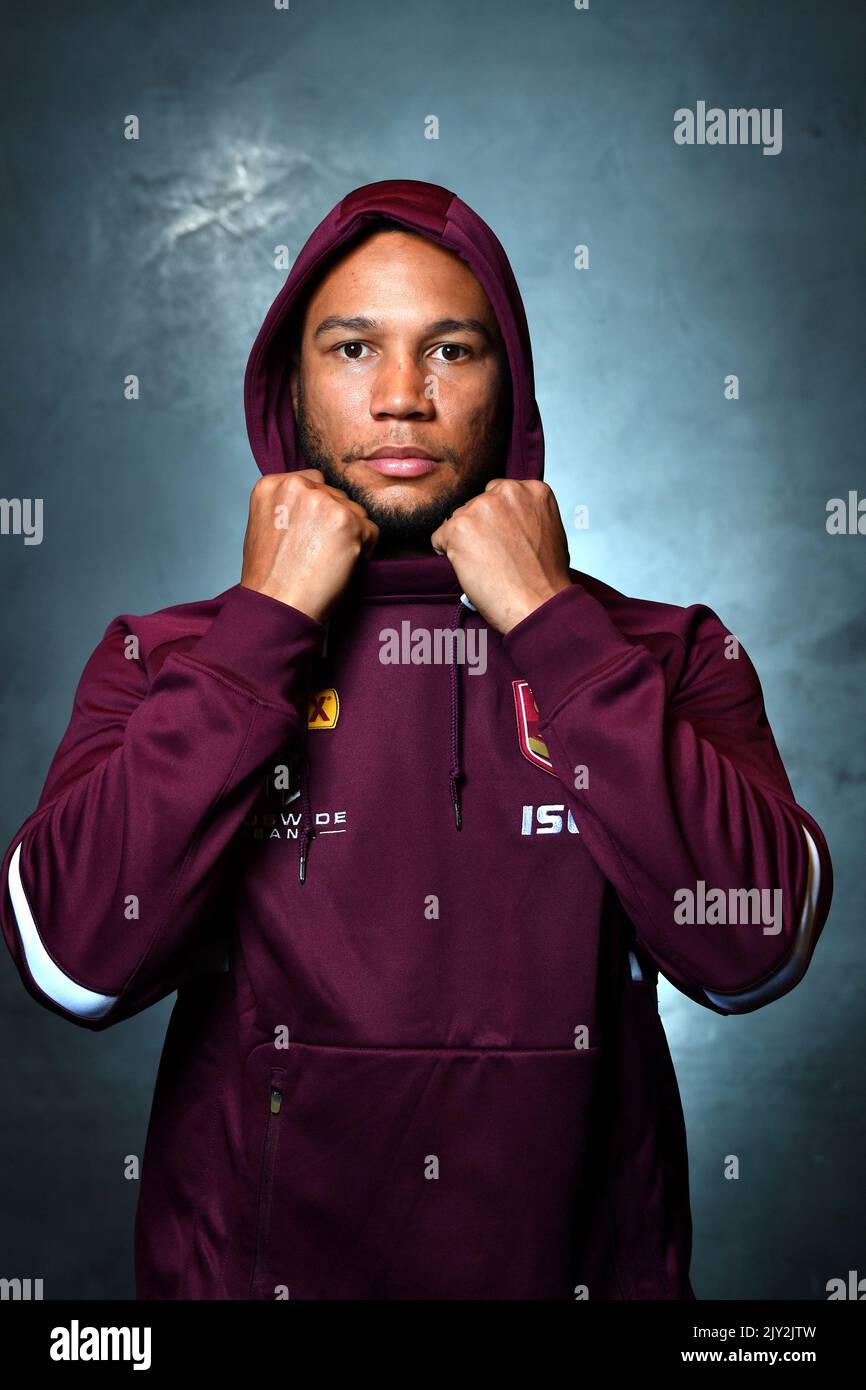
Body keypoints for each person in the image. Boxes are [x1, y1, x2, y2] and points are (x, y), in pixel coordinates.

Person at [0, 179, 833, 1301]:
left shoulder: (658, 652)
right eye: (352, 350)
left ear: (512, 383)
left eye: (450, 350)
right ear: (289, 389)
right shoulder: (169, 659)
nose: (401, 399)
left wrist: (554, 633)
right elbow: (72, 962)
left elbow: (754, 952)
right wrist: (263, 636)